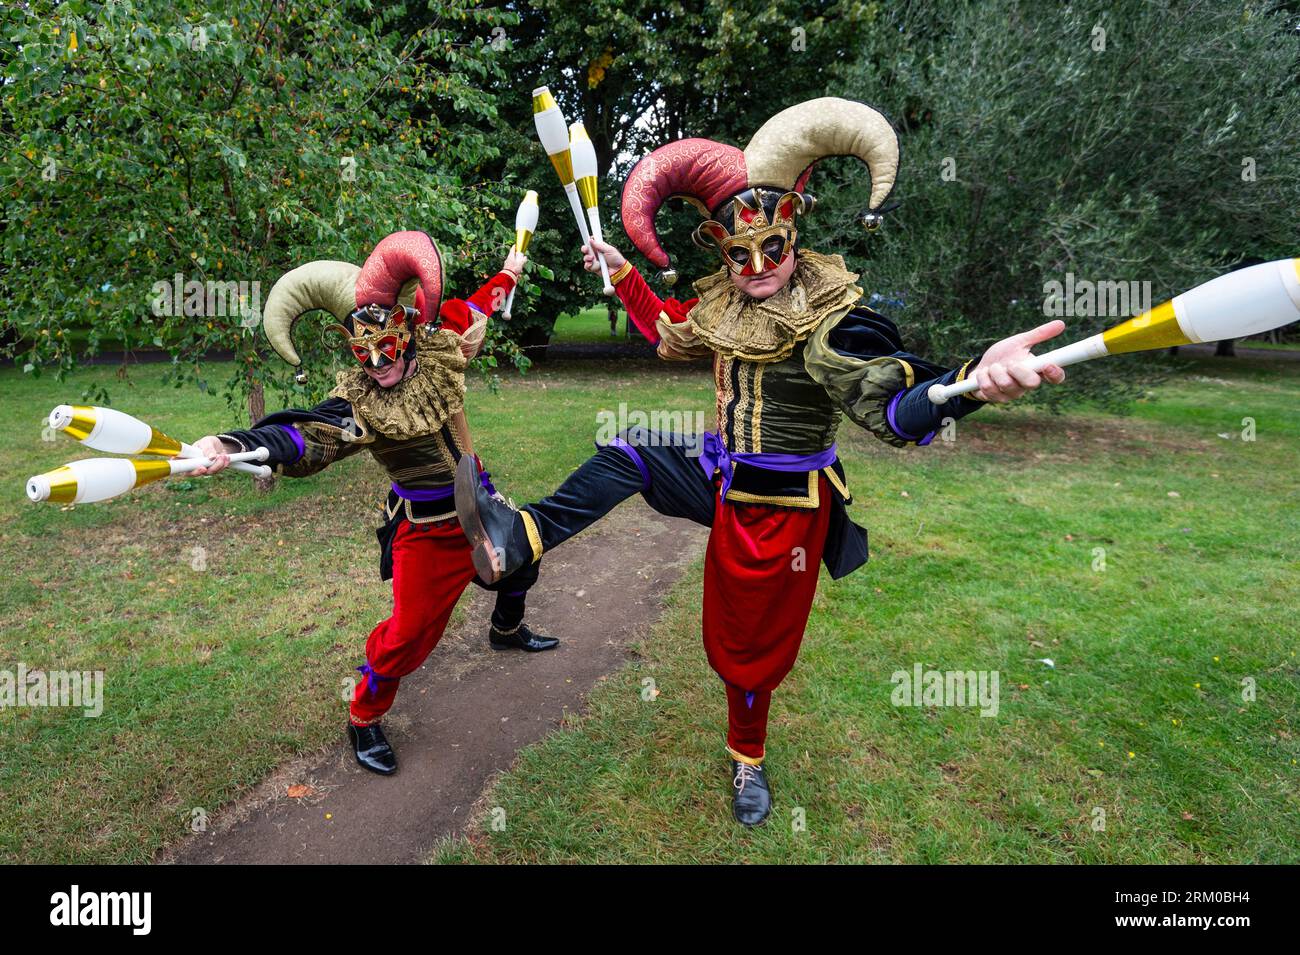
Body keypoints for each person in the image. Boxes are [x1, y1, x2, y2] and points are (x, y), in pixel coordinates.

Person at [455, 99, 1065, 826]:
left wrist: (965, 386)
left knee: (746, 649)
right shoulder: (731, 300)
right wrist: (624, 273)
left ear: (794, 234)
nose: (755, 268)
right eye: (737, 255)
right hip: (719, 467)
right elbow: (675, 333)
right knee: (626, 451)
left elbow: (888, 404)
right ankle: (518, 537)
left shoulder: (823, 315)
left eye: (770, 249)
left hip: (781, 502)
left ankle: (748, 757)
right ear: (719, 247)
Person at [192, 230, 558, 777]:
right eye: (362, 350)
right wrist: (234, 444)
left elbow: (483, 300)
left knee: (523, 558)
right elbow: (309, 434)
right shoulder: (359, 400)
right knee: (408, 636)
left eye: (386, 346)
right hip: (428, 531)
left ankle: (505, 630)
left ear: (409, 331)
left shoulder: (441, 342)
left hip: (477, 498)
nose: (376, 361)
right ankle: (364, 715)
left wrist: (511, 267)